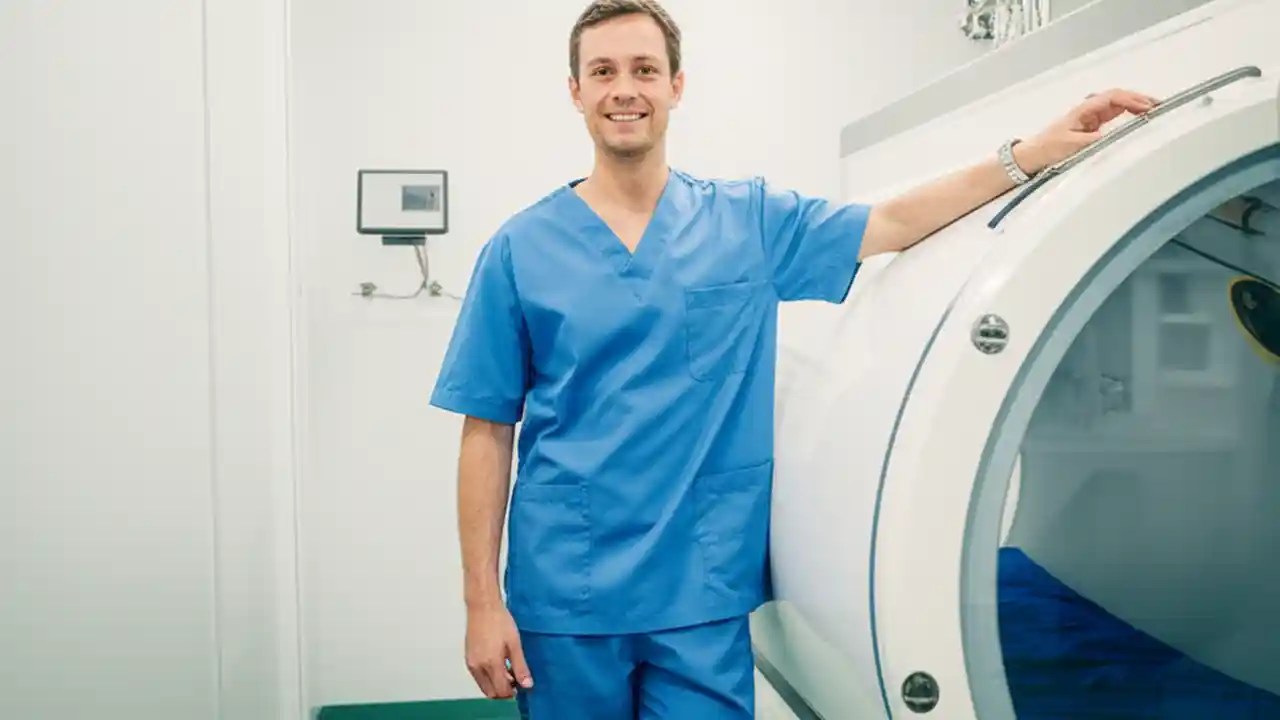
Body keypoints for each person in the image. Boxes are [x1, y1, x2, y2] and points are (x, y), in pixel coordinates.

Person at [428, 0, 1157, 716]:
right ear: (576, 91)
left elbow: (892, 221)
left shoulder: (746, 221)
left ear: (676, 86)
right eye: (604, 71)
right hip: (568, 596)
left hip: (703, 595)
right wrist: (480, 603)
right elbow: (485, 433)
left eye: (645, 69)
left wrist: (1028, 154)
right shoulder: (521, 250)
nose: (626, 89)